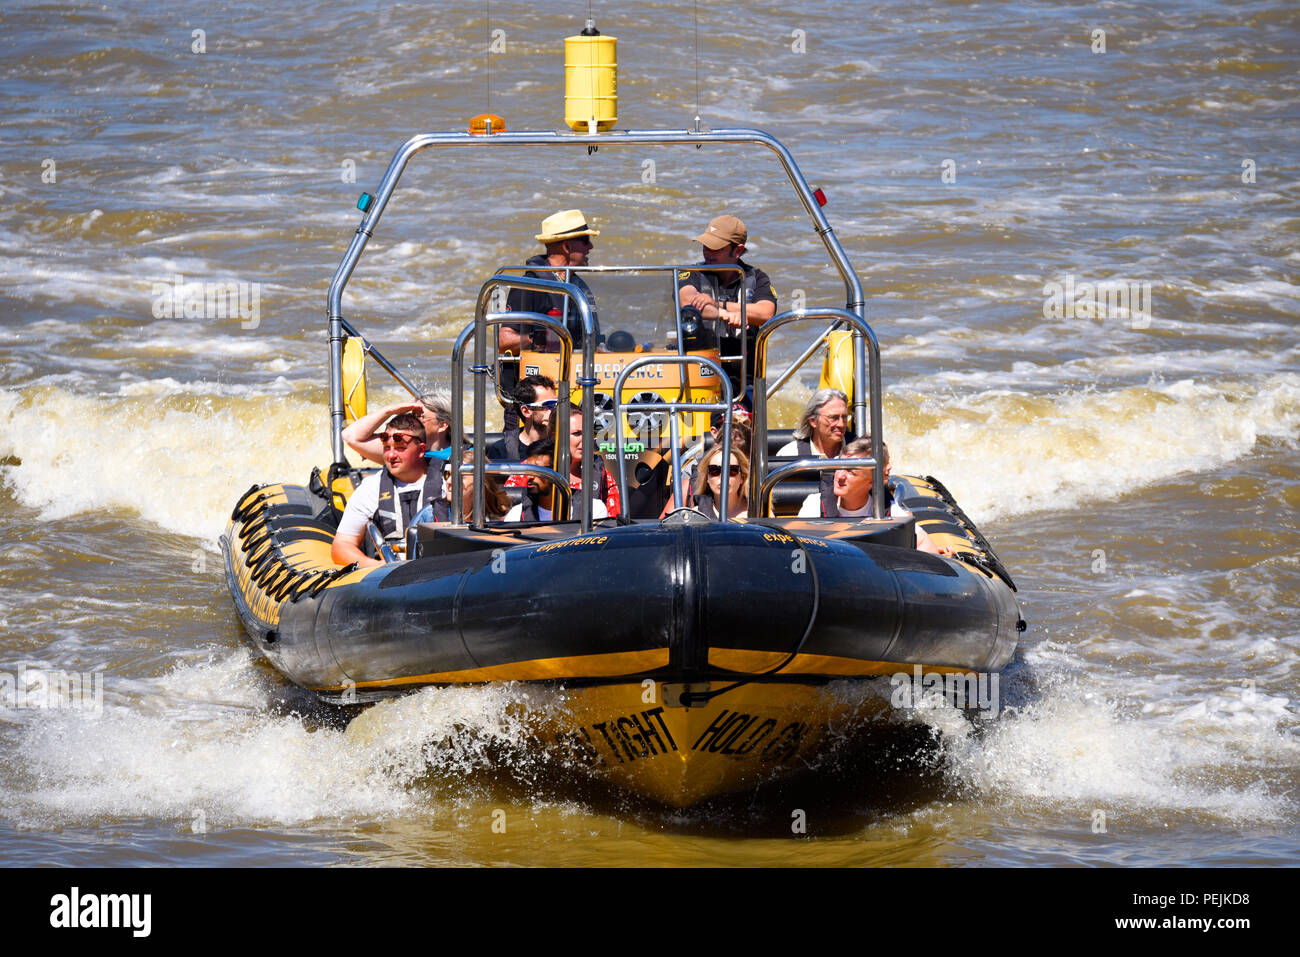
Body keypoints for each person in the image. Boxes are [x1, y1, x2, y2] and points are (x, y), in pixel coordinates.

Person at [499, 209, 600, 428]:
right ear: (566, 247)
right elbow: (504, 340)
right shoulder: (531, 284)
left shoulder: (576, 285)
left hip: (573, 390)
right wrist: (536, 340)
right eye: (585, 241)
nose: (590, 247)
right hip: (534, 408)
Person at [797, 437, 951, 556]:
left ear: (871, 482)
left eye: (850, 471)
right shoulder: (813, 506)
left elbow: (925, 545)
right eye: (839, 467)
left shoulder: (889, 513)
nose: (840, 476)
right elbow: (798, 553)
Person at [331, 414, 449, 568]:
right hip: (390, 575)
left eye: (400, 448)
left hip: (444, 569)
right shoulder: (371, 488)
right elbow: (342, 546)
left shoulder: (447, 481)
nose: (391, 455)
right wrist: (377, 566)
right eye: (387, 448)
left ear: (421, 450)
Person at [676, 214, 777, 388]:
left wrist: (716, 304)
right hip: (698, 374)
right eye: (705, 246)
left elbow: (766, 313)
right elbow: (687, 301)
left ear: (737, 251)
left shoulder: (758, 278)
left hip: (745, 379)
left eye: (715, 248)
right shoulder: (690, 273)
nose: (707, 252)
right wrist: (724, 315)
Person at [504, 439, 608, 522]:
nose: (530, 477)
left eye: (537, 470)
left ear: (559, 472)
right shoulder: (517, 514)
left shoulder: (592, 510)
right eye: (528, 470)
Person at [342, 391, 454, 465]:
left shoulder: (463, 455)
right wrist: (389, 411)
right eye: (413, 415)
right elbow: (349, 436)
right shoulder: (399, 449)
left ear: (442, 426)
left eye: (421, 416)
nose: (413, 421)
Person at [486, 374, 556, 461]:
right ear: (526, 411)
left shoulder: (564, 445)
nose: (554, 410)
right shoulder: (500, 451)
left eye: (557, 404)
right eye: (548, 405)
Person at [776, 387, 848, 459]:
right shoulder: (789, 454)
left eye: (844, 417)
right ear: (813, 421)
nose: (841, 424)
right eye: (833, 418)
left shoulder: (858, 453)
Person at [443, 450, 511, 523]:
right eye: (448, 474)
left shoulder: (508, 519)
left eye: (458, 476)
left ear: (480, 481)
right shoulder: (431, 515)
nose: (448, 481)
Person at [691, 446, 749, 520]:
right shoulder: (695, 516)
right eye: (714, 470)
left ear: (742, 478)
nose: (723, 477)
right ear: (706, 478)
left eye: (731, 470)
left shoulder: (759, 513)